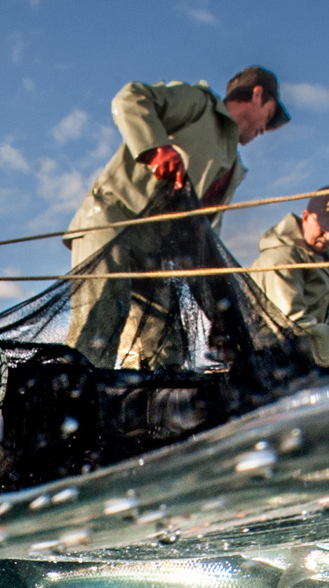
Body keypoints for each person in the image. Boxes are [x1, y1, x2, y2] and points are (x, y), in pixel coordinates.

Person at [63, 67, 289, 370]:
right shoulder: (199, 104)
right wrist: (156, 149)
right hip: (112, 220)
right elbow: (130, 98)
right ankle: (74, 407)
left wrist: (220, 314)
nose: (268, 127)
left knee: (165, 348)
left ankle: (141, 413)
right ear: (258, 94)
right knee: (100, 323)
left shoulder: (233, 169)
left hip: (154, 254)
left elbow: (206, 241)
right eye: (270, 114)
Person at [254, 186, 329, 368]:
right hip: (274, 361)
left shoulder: (326, 261)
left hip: (306, 355)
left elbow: (320, 317)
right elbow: (290, 323)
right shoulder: (281, 257)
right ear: (306, 217)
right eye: (325, 226)